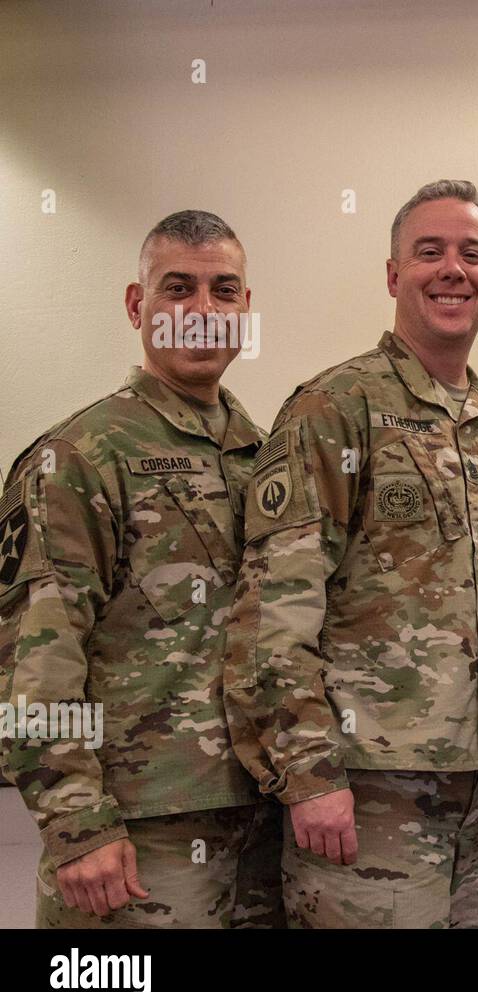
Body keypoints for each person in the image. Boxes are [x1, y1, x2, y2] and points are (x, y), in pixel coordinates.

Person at [223, 179, 478, 928]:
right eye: (429, 252)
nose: (453, 269)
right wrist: (309, 774)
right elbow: (272, 612)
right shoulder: (335, 409)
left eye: (472, 254)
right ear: (393, 275)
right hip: (368, 787)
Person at [0, 210, 284, 928]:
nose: (201, 311)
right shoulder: (80, 455)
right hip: (134, 834)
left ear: (246, 311)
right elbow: (36, 657)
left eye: (224, 291)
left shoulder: (270, 458)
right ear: (138, 306)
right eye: (177, 288)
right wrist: (77, 824)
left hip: (263, 824)